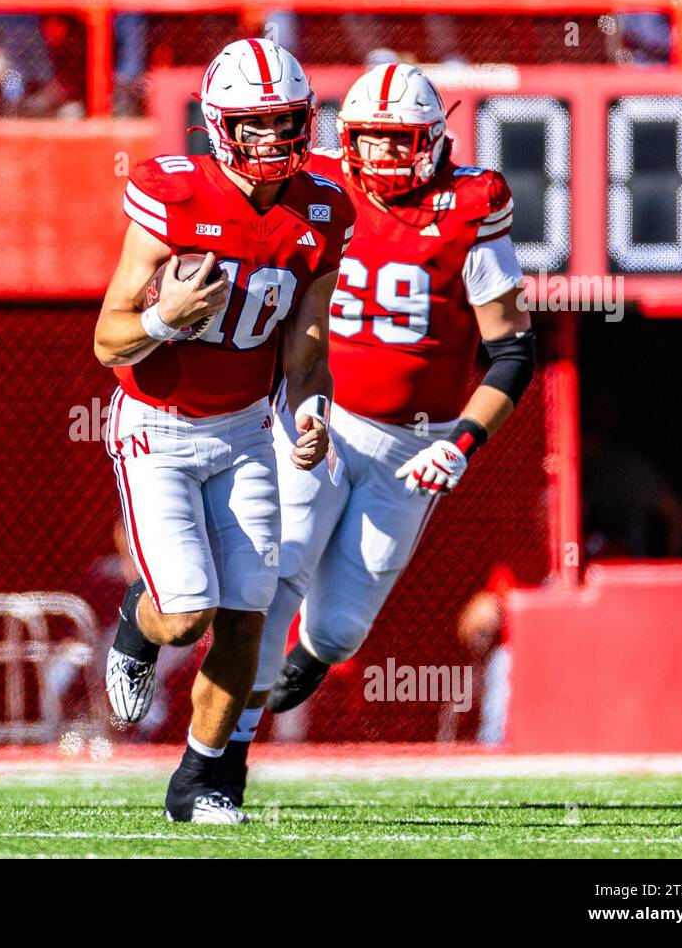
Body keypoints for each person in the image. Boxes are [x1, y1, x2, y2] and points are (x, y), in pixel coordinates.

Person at [222, 63, 536, 804]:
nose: (387, 159)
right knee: (278, 567)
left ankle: (292, 663)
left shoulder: (471, 204)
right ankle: (221, 752)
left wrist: (461, 441)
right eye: (373, 141)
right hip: (319, 416)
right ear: (347, 138)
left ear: (434, 139)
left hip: (411, 445)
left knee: (337, 633)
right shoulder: (319, 185)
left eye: (402, 142)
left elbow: (515, 349)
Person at [94, 38, 353, 823]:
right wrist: (164, 318)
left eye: (285, 122)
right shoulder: (171, 195)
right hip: (159, 425)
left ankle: (201, 780)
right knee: (186, 613)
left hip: (245, 430)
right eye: (256, 123)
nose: (275, 140)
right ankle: (138, 627)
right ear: (218, 125)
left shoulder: (322, 208)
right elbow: (108, 339)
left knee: (252, 609)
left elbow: (307, 347)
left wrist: (311, 415)